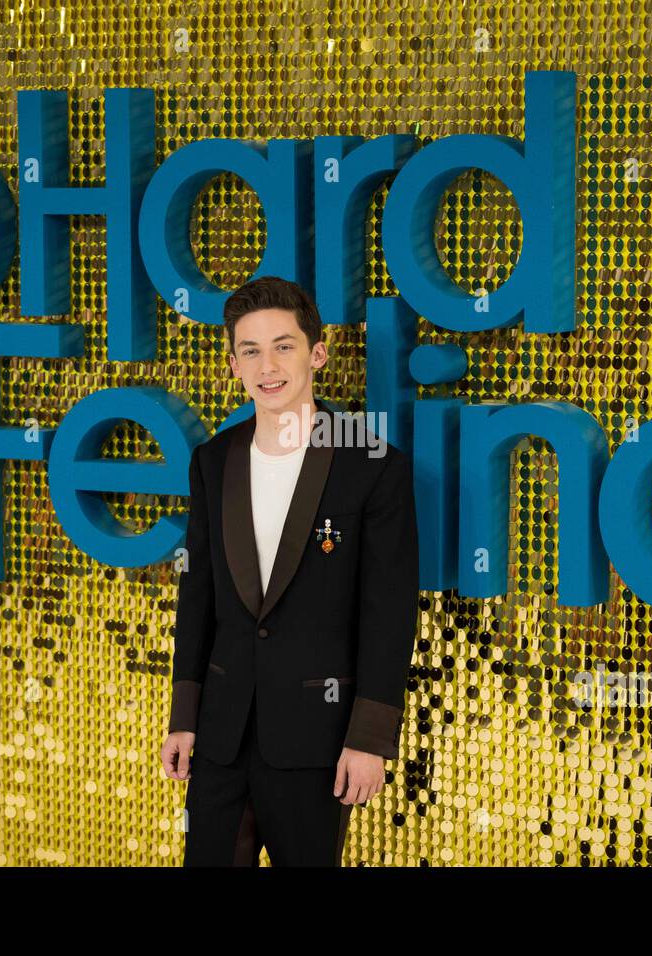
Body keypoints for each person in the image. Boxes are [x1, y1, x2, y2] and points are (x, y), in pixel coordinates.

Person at [159, 275, 419, 866]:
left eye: (284, 345)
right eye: (250, 350)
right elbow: (197, 594)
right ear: (233, 364)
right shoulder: (212, 461)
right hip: (221, 738)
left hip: (318, 739)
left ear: (316, 354)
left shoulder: (374, 467)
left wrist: (369, 739)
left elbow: (389, 612)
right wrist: (184, 716)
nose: (267, 364)